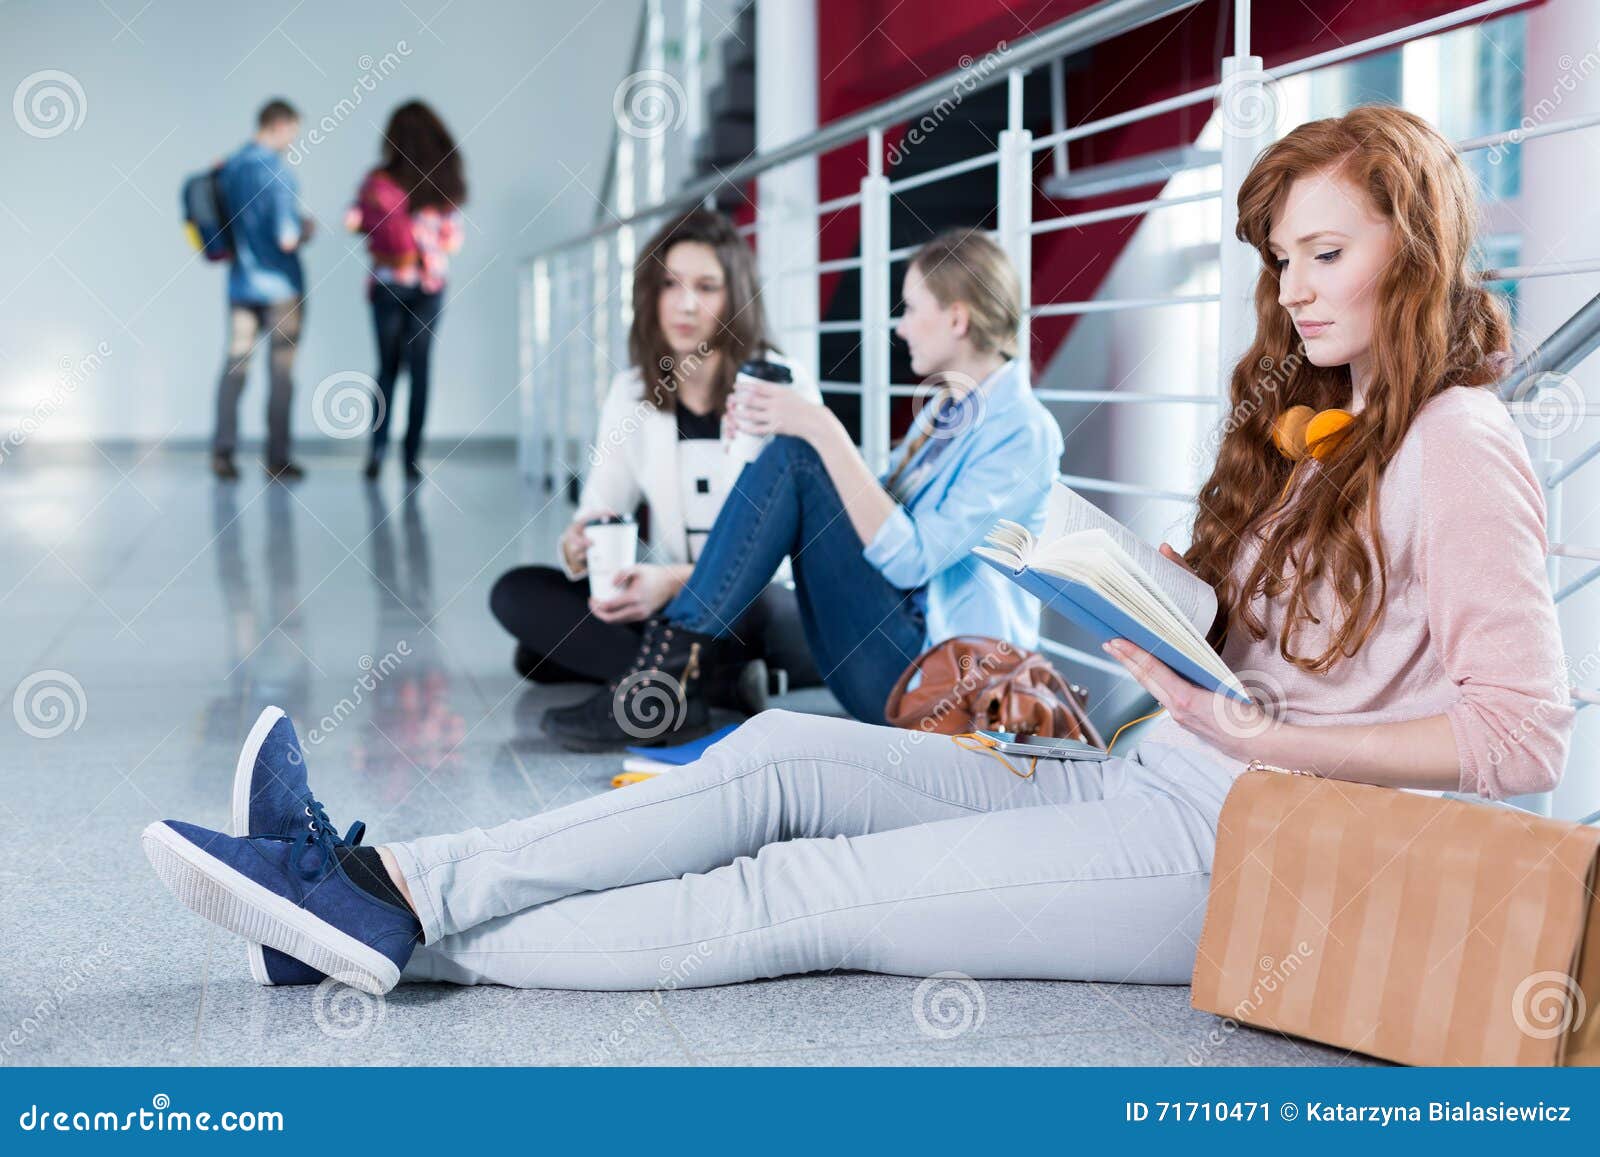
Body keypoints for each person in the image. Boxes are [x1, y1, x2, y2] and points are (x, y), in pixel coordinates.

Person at [143, 107, 1574, 996]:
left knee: (798, 895)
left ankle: (367, 924)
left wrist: (1252, 728)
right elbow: (1279, 646)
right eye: (1280, 257)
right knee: (772, 763)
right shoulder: (1326, 424)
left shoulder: (1456, 439)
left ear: (1417, 245)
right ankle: (378, 884)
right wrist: (1148, 593)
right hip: (1150, 764)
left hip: (1237, 839)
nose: (1294, 284)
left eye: (1327, 252)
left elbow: (1523, 740)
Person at [541, 227, 1065, 749]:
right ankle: (675, 676)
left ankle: (668, 678)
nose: (900, 329)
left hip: (942, 685)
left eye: (909, 310)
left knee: (799, 454)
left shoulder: (1023, 429)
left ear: (956, 318)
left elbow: (910, 559)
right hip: (893, 655)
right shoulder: (946, 411)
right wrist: (770, 446)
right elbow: (862, 515)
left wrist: (820, 428)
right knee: (793, 454)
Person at [489, 210, 822, 714]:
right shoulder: (634, 392)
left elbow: (793, 549)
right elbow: (602, 508)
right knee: (517, 595)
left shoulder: (781, 381)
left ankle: (661, 678)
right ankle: (714, 685)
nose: (685, 305)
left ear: (736, 296)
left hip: (761, 603)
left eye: (707, 287)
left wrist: (674, 579)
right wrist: (581, 545)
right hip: (677, 611)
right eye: (671, 285)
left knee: (776, 612)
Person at [347, 101, 466, 481]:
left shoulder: (379, 180)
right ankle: (411, 457)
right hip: (429, 285)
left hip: (386, 283)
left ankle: (377, 450)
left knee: (386, 369)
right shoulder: (444, 180)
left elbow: (353, 222)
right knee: (420, 369)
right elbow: (452, 241)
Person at [211, 99, 313, 483]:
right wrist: (306, 230)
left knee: (235, 366)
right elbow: (287, 238)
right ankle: (277, 459)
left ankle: (222, 453)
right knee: (281, 374)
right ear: (281, 125)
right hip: (281, 288)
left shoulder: (229, 167)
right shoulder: (280, 174)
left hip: (240, 285)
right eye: (293, 132)